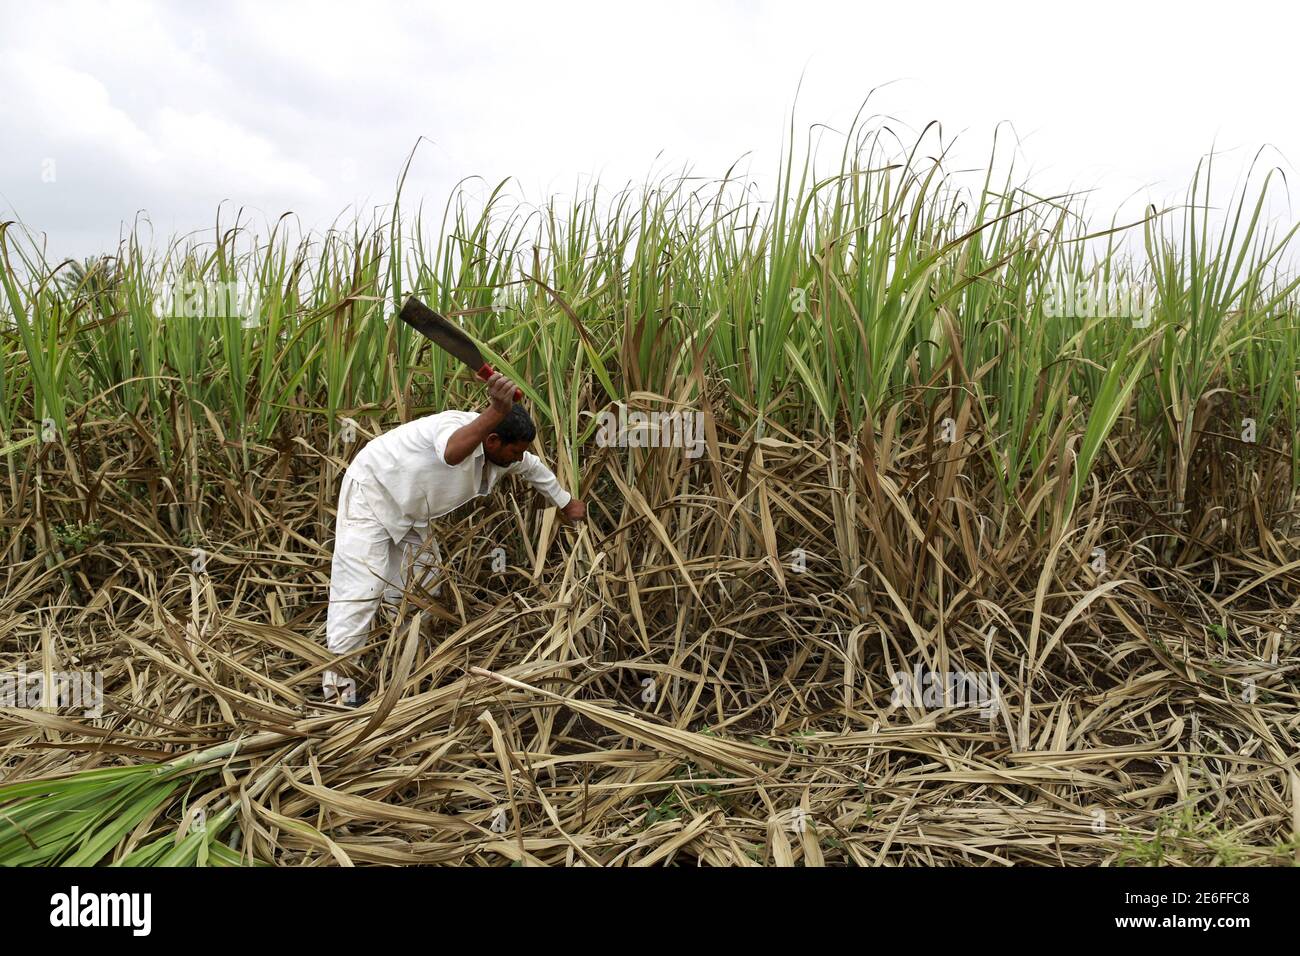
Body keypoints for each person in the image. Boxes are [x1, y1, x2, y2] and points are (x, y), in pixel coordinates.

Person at [322, 372, 586, 702]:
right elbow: (450, 454)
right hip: (371, 496)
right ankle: (337, 694)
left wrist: (565, 503)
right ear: (492, 441)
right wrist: (496, 410)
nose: (518, 458)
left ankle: (404, 670)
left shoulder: (505, 455)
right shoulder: (450, 427)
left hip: (412, 515)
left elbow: (533, 468)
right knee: (360, 593)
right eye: (514, 452)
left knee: (424, 591)